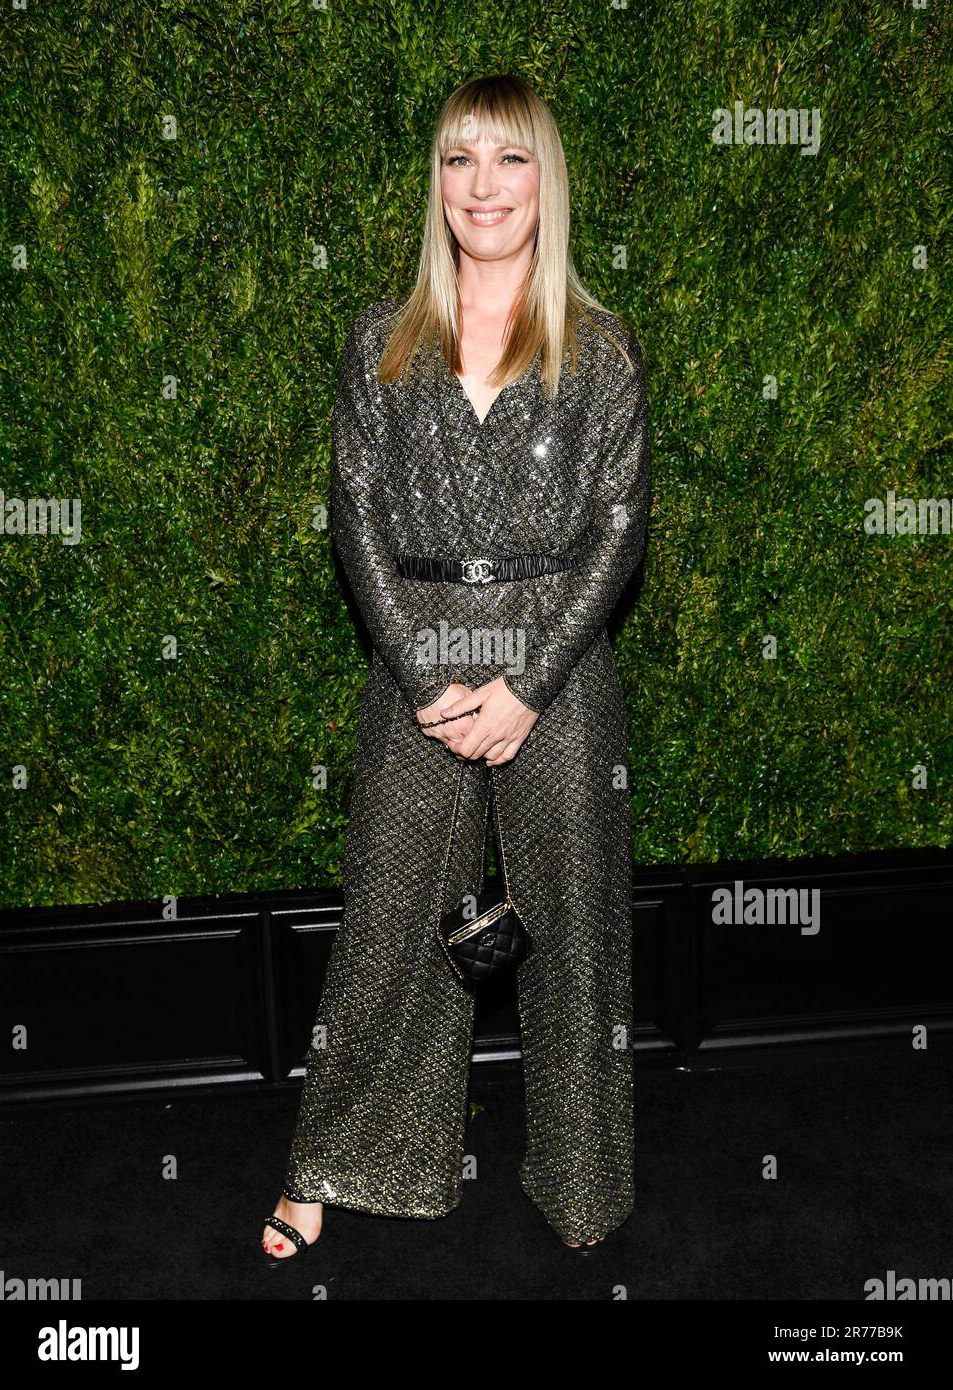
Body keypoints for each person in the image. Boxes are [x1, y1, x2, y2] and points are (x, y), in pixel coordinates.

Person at [260, 72, 651, 1262]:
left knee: (576, 933)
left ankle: (581, 1185)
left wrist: (528, 683)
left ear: (546, 181)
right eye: (458, 160)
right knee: (386, 920)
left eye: (509, 159)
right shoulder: (379, 340)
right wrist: (427, 670)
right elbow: (356, 516)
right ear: (435, 183)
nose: (482, 185)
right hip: (417, 663)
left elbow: (617, 527)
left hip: (560, 669)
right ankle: (331, 1162)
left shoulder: (599, 350)